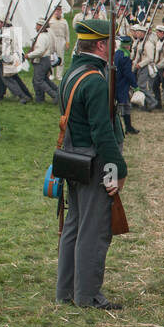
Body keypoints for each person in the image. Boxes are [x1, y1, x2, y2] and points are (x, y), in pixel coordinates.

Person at [56, 18, 128, 310]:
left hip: (72, 158)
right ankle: (88, 295)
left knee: (74, 225)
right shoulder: (95, 81)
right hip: (93, 160)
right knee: (93, 230)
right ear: (101, 45)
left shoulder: (72, 73)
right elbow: (102, 132)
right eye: (110, 43)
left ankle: (67, 291)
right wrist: (118, 169)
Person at [29, 18, 61, 103]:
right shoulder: (45, 35)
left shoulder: (42, 37)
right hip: (46, 60)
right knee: (44, 80)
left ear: (40, 26)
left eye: (37, 25)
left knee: (38, 80)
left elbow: (40, 51)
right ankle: (42, 98)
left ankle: (55, 95)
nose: (36, 27)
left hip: (42, 60)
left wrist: (29, 55)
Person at [115, 33, 140, 135]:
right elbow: (128, 73)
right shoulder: (125, 56)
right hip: (122, 83)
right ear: (128, 46)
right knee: (124, 106)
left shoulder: (117, 53)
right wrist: (135, 85)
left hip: (116, 82)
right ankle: (127, 128)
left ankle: (127, 127)